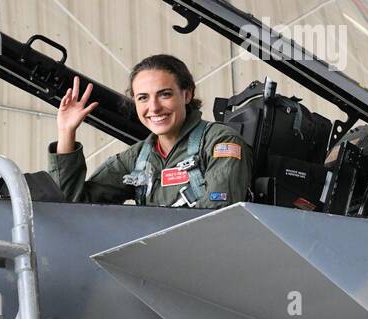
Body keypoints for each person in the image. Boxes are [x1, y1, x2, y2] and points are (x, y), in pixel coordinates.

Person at [48, 54, 253, 208]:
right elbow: (72, 205)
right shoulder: (137, 158)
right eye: (143, 98)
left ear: (187, 94)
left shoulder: (220, 142)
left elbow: (220, 215)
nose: (153, 108)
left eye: (164, 94)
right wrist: (66, 132)